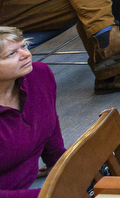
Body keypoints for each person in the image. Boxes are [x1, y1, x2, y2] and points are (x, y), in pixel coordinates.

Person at [0, 25, 66, 196]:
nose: (26, 54)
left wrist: (61, 169)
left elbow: (50, 127)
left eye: (23, 46)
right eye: (12, 54)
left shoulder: (39, 75)